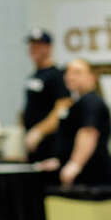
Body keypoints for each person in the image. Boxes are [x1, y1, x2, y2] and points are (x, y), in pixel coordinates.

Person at [42, 59, 111, 187]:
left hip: (91, 178)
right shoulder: (75, 103)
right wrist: (60, 161)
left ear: (92, 77)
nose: (70, 76)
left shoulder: (91, 102)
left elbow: (89, 133)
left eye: (77, 72)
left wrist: (75, 165)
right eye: (68, 72)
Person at [21, 28, 70, 163]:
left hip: (50, 145)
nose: (33, 48)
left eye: (38, 45)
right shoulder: (33, 76)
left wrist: (39, 132)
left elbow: (62, 108)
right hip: (33, 147)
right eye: (31, 45)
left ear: (48, 47)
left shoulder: (56, 75)